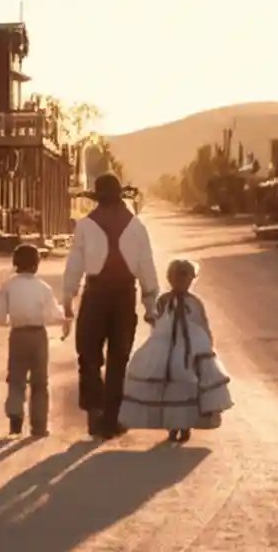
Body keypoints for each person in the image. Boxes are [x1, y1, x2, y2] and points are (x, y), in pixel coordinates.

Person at [64, 173, 159, 439]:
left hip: (95, 295)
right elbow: (146, 266)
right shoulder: (136, 226)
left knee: (89, 355)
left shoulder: (85, 225)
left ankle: (95, 412)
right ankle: (111, 418)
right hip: (124, 296)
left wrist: (68, 297)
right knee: (119, 359)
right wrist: (150, 303)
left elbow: (74, 264)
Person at [118, 259, 233, 442]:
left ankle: (185, 424)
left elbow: (202, 323)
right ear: (170, 279)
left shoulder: (194, 302)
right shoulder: (164, 301)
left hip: (190, 349)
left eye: (185, 278)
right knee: (171, 385)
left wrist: (207, 345)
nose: (181, 282)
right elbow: (157, 322)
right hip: (167, 349)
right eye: (177, 278)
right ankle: (173, 425)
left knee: (186, 383)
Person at [0, 244, 70, 437]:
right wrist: (65, 320)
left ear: (15, 263)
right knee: (40, 382)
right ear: (37, 264)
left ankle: (15, 419)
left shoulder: (8, 286)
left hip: (18, 336)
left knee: (16, 379)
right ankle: (39, 426)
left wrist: (11, 320)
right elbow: (53, 314)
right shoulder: (43, 288)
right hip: (38, 336)